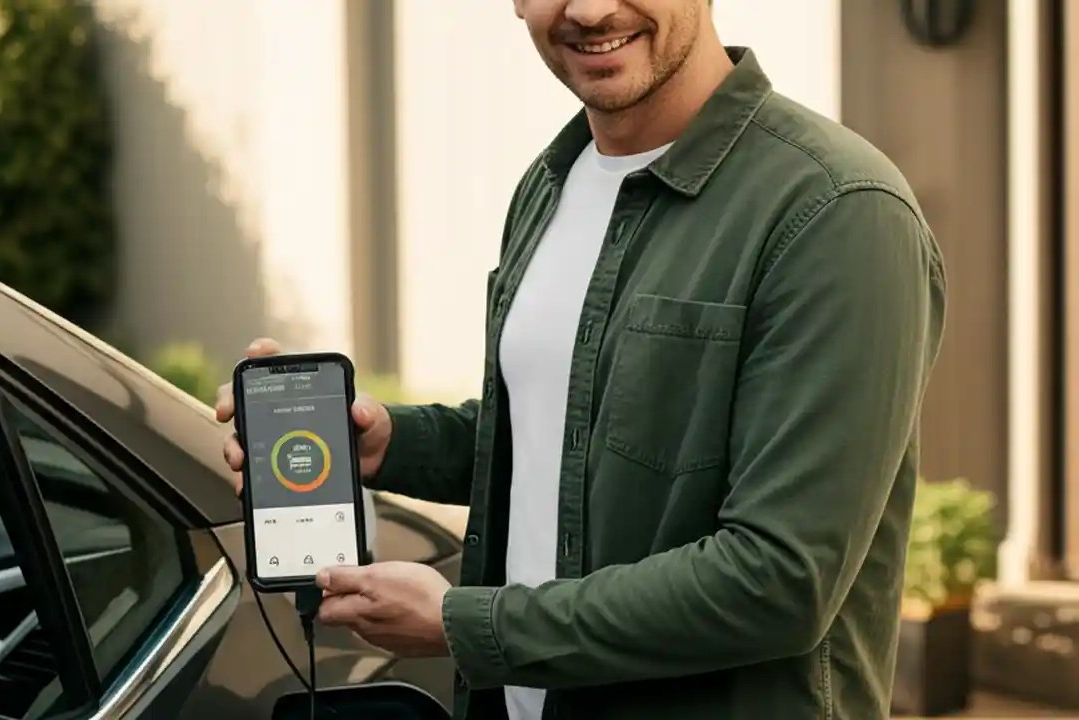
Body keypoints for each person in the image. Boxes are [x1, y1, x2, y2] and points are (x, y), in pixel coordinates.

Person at [217, 1, 946, 718]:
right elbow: (568, 437)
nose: (591, 11)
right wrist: (390, 443)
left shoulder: (836, 209)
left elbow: (780, 581)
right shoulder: (551, 183)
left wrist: (467, 625)